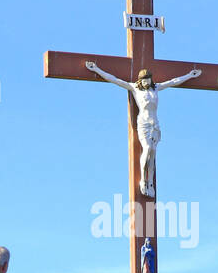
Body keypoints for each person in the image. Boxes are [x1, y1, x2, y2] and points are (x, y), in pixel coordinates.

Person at [84, 61, 201, 197]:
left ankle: (150, 181)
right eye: (143, 80)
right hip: (144, 123)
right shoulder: (134, 88)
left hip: (155, 123)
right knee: (147, 149)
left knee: (153, 152)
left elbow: (173, 81)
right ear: (140, 80)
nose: (146, 82)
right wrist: (97, 69)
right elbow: (114, 79)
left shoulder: (156, 88)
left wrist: (190, 75)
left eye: (148, 79)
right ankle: (143, 180)